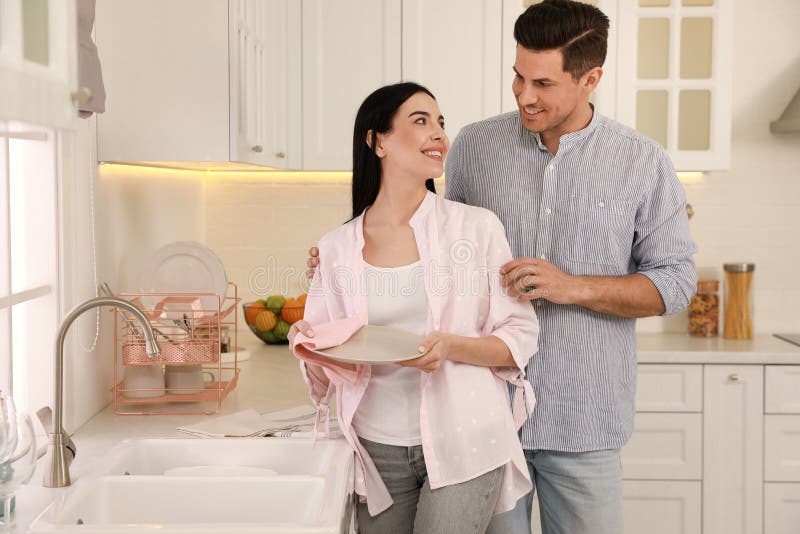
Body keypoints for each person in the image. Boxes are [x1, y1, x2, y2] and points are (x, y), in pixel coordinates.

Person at [301, 1, 697, 532]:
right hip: (474, 420)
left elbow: (675, 283)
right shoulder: (475, 145)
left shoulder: (641, 162)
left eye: (544, 83)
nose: (525, 95)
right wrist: (347, 257)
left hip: (581, 420)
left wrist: (570, 286)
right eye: (517, 76)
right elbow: (432, 233)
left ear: (590, 79)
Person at [289, 82, 540, 534]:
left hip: (464, 435)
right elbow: (327, 369)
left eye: (441, 123)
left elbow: (519, 335)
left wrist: (452, 348)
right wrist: (310, 347)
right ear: (377, 140)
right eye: (421, 121)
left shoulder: (476, 229)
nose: (438, 134)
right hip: (375, 445)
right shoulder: (336, 247)